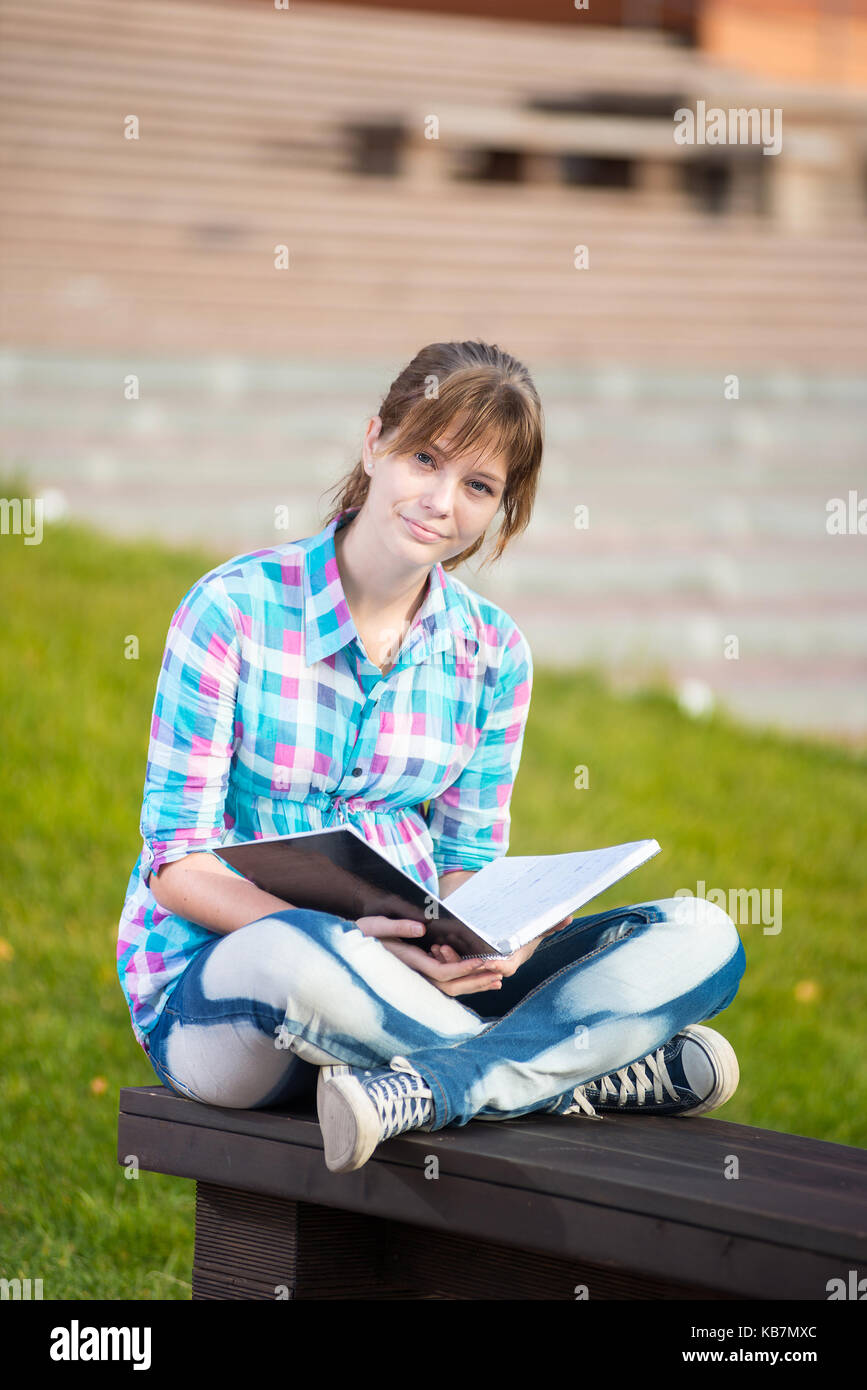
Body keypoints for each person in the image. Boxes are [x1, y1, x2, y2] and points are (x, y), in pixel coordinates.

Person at [116, 339, 746, 1176]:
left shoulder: (492, 653)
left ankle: (440, 1081)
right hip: (234, 989)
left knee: (701, 932)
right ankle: (578, 1069)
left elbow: (463, 870)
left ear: (500, 510)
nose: (440, 501)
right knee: (301, 955)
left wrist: (495, 936)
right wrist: (351, 939)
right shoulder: (231, 611)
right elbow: (175, 865)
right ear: (375, 441)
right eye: (425, 458)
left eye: (478, 486)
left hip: (424, 982)